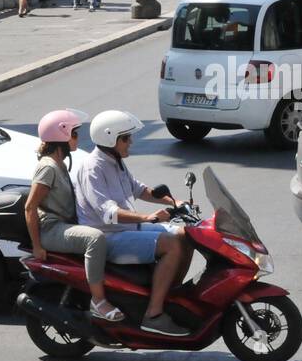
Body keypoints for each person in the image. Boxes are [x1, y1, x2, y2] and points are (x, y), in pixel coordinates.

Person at [73, 110, 193, 337]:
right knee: (172, 245)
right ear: (110, 138)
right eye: (126, 138)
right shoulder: (93, 169)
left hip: (126, 229)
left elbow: (139, 189)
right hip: (109, 237)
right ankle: (154, 314)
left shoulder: (114, 160)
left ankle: (167, 294)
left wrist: (174, 201)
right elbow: (107, 213)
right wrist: (147, 217)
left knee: (185, 235)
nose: (131, 142)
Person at [24, 109, 123, 323]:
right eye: (75, 133)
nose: (78, 137)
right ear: (62, 135)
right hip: (51, 229)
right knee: (94, 239)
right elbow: (30, 207)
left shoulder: (60, 163)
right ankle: (98, 301)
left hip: (63, 224)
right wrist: (37, 246)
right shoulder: (48, 167)